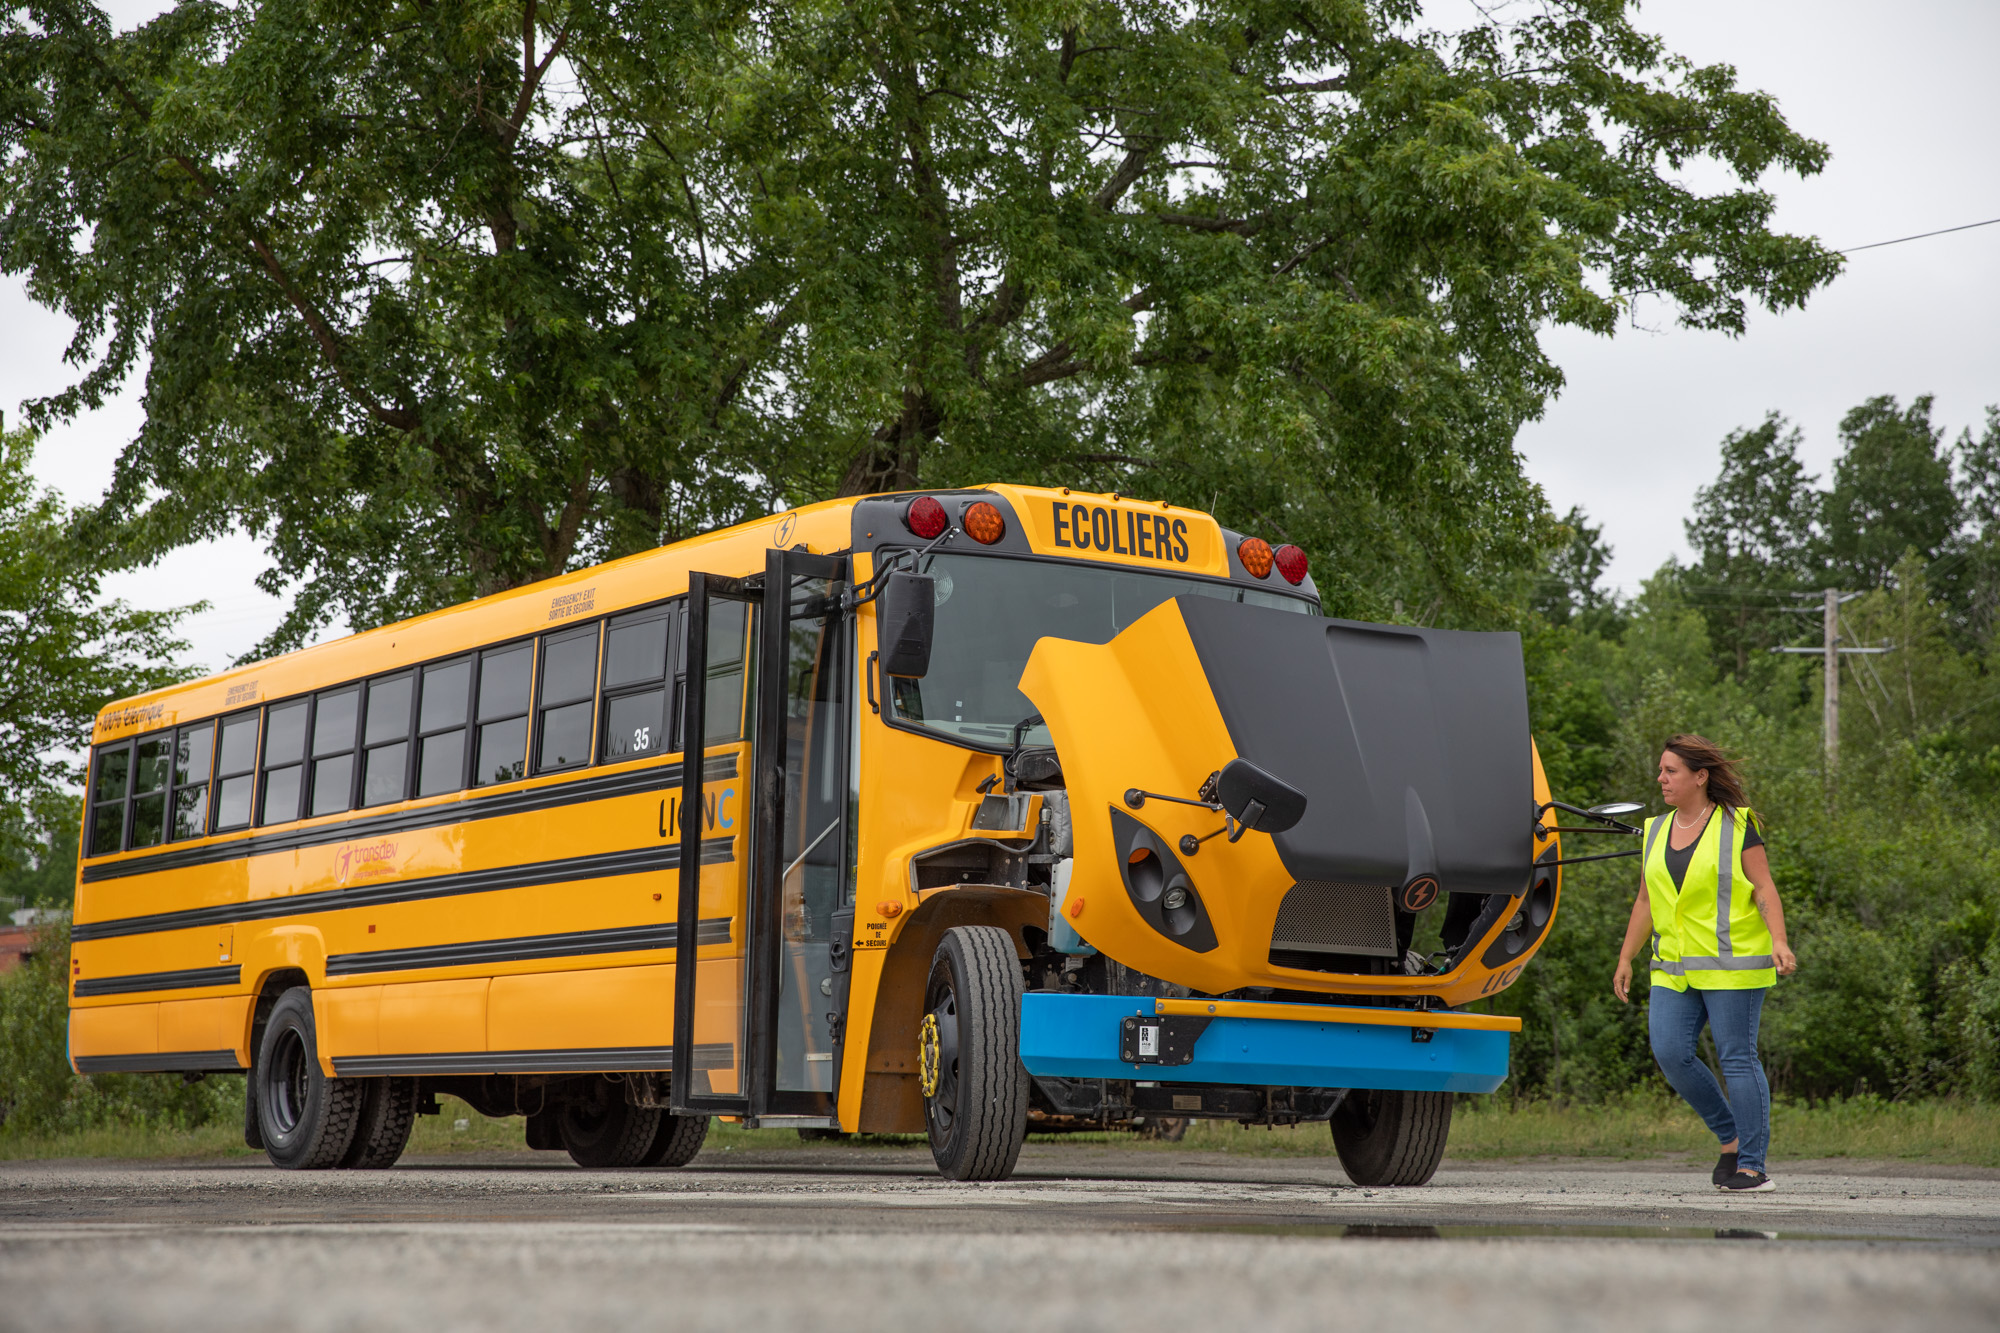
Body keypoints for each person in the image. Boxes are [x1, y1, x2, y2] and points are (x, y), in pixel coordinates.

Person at [1612, 734, 1798, 1192]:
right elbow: (1645, 899)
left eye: (1670, 771)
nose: (1661, 779)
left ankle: (1752, 1166)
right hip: (1673, 967)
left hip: (1734, 965)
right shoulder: (1656, 829)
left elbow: (1763, 887)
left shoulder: (1738, 824)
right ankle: (1730, 1137)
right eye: (1661, 770)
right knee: (1671, 1053)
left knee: (1738, 1058)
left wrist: (1779, 939)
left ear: (1700, 776)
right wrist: (1626, 957)